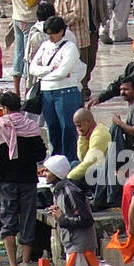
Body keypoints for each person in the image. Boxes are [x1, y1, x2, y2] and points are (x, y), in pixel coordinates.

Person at [0, 92, 47, 266]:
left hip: (8, 181)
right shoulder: (31, 126)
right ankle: (26, 262)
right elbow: (41, 154)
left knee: (9, 221)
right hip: (29, 180)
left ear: (4, 108)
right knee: (28, 219)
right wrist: (28, 160)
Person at [29, 15, 83, 159]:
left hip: (66, 92)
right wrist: (49, 70)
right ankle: (55, 160)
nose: (50, 36)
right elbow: (32, 68)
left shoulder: (70, 48)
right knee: (52, 128)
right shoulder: (45, 46)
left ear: (62, 31)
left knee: (67, 128)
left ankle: (70, 160)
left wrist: (45, 73)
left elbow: (63, 72)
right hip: (47, 92)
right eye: (48, 33)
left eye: (53, 33)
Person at [70, 107, 117, 210]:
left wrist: (68, 179)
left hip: (107, 174)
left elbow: (89, 162)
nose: (78, 129)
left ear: (89, 122)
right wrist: (82, 137)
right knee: (74, 164)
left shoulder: (99, 134)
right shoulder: (88, 132)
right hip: (97, 168)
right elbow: (82, 157)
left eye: (79, 126)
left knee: (75, 175)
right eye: (76, 127)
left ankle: (94, 199)